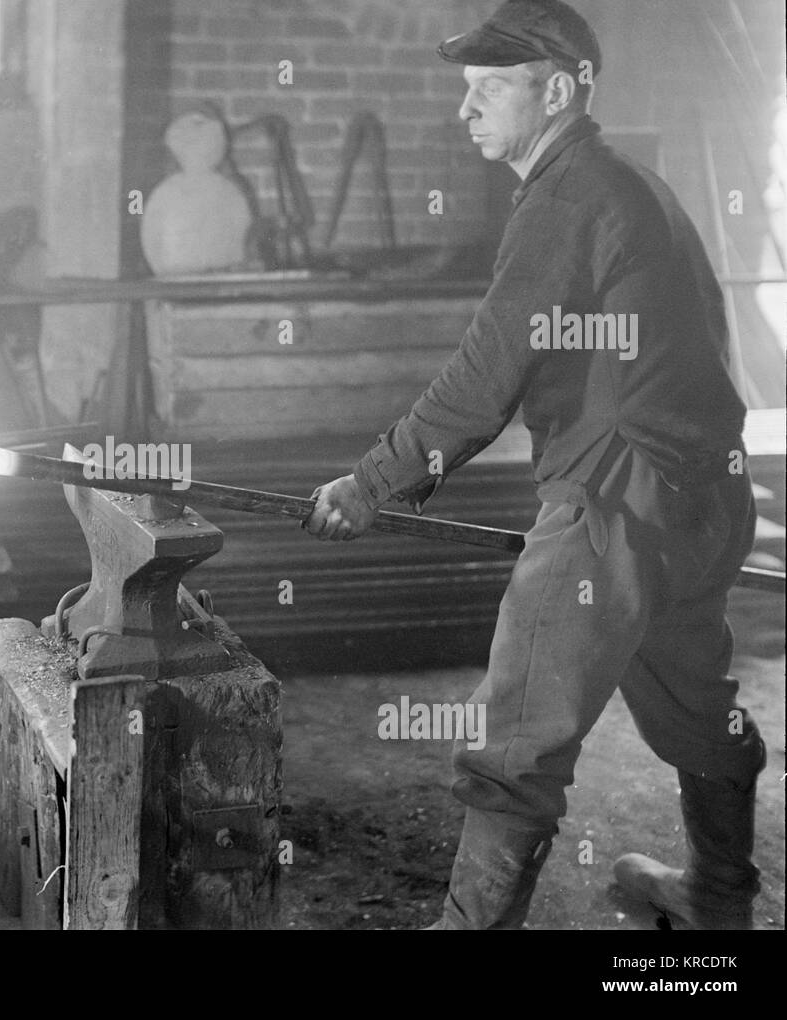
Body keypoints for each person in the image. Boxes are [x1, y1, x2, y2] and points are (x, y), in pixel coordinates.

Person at [303, 0, 766, 930]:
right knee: (694, 704)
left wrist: (371, 483)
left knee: (511, 739)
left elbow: (484, 379)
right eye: (464, 90)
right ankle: (718, 898)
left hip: (614, 505)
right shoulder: (630, 183)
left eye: (488, 90)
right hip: (699, 492)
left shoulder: (565, 196)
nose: (464, 110)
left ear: (556, 90)